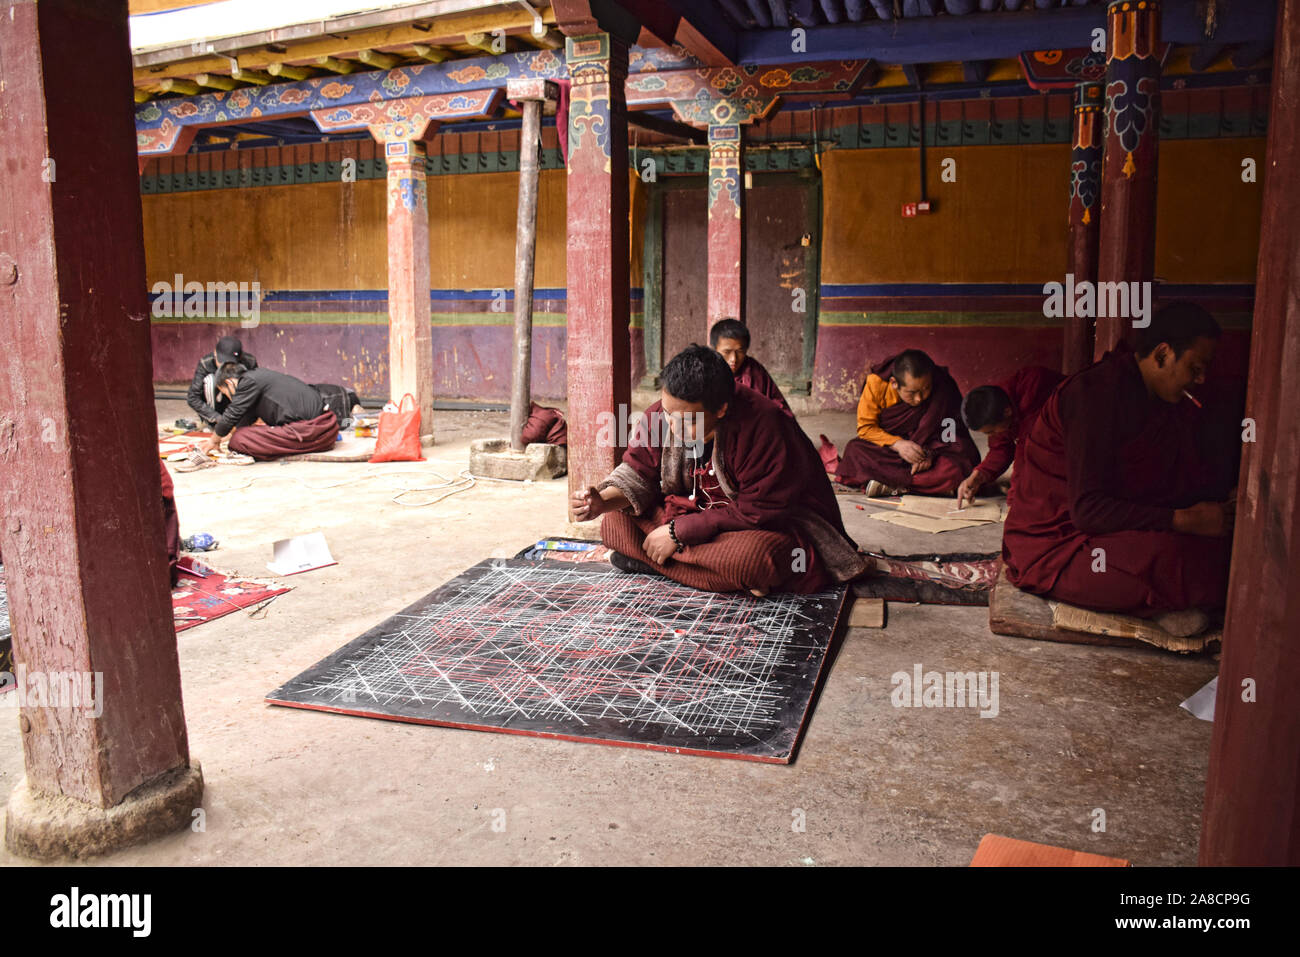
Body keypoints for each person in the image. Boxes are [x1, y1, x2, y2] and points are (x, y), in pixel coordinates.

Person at [1001, 302, 1234, 634]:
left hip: (1115, 531)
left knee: (1221, 545)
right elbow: (1087, 512)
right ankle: (1155, 601)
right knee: (1172, 557)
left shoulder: (1163, 400)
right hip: (1059, 546)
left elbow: (1166, 481)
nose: (1201, 379)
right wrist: (1182, 519)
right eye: (1195, 367)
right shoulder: (1094, 395)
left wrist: (1218, 499)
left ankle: (1154, 598)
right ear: (1163, 354)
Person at [573, 345, 867, 596]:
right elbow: (637, 472)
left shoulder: (766, 426)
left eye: (687, 420)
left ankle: (660, 562)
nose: (673, 426)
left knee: (753, 560)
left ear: (721, 409)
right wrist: (603, 500)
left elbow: (762, 510)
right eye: (667, 413)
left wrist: (679, 534)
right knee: (613, 523)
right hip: (687, 517)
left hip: (750, 528)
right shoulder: (665, 414)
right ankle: (720, 577)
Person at [836, 349, 980, 496]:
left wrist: (931, 453)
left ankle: (891, 485)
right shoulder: (876, 384)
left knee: (956, 467)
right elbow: (866, 428)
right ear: (894, 383)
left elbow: (950, 426)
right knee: (855, 450)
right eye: (911, 393)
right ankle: (923, 485)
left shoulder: (943, 384)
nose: (919, 398)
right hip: (891, 451)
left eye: (926, 389)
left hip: (929, 450)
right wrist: (897, 444)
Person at [956, 366, 1065, 508]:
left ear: (1007, 412)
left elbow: (1027, 452)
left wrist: (1014, 501)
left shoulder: (1033, 391)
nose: (991, 436)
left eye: (991, 431)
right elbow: (1000, 448)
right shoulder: (996, 404)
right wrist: (979, 475)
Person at [197, 364, 338, 460]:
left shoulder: (248, 382)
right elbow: (245, 418)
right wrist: (226, 435)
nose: (229, 398)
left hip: (312, 431)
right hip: (326, 430)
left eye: (226, 393)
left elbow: (233, 413)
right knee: (240, 434)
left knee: (239, 440)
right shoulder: (258, 377)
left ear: (228, 383)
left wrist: (213, 440)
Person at [709, 317, 793, 416]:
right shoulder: (704, 371)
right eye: (727, 352)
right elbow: (691, 406)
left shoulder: (753, 371)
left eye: (740, 352)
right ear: (714, 349)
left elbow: (779, 408)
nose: (734, 359)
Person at [187, 335, 258, 427]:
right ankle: (214, 425)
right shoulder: (206, 364)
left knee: (247, 383)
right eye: (223, 362)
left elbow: (256, 391)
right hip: (216, 408)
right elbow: (193, 398)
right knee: (210, 381)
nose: (225, 367)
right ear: (215, 353)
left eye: (231, 363)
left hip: (238, 407)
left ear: (240, 357)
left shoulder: (249, 361)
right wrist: (216, 418)